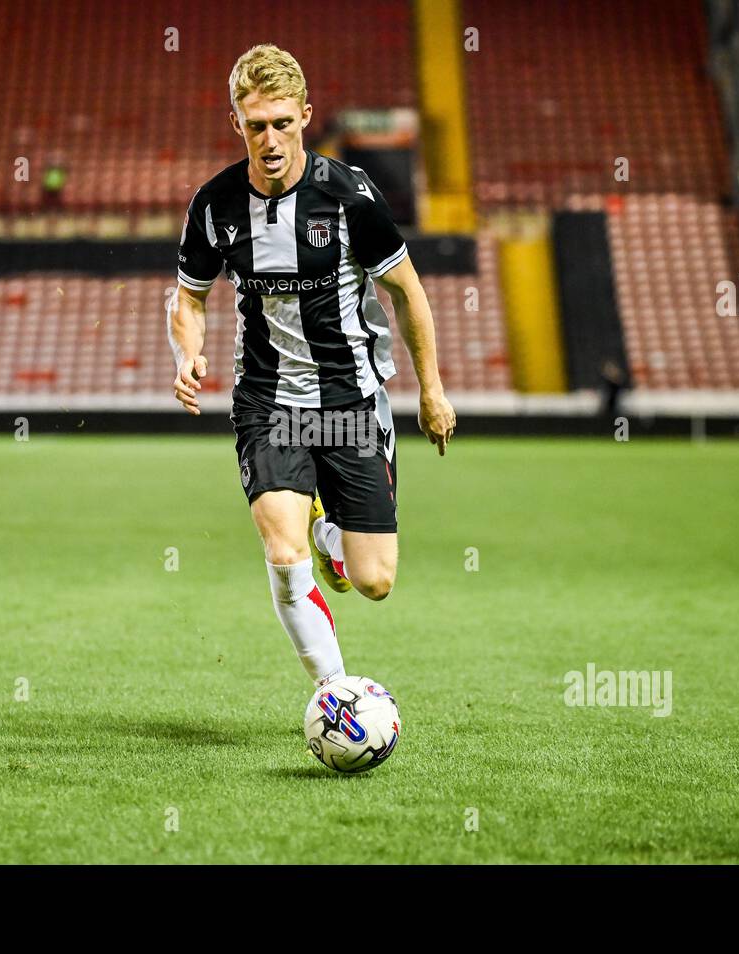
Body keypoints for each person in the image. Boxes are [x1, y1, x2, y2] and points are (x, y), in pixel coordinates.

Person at [166, 45, 455, 688]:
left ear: (306, 116)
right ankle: (337, 696)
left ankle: (333, 539)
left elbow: (407, 292)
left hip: (351, 401)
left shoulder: (350, 196)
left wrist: (431, 390)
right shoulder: (214, 205)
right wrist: (187, 353)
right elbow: (188, 295)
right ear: (236, 123)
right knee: (281, 554)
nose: (269, 139)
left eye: (281, 123)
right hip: (268, 403)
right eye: (255, 124)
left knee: (374, 580)